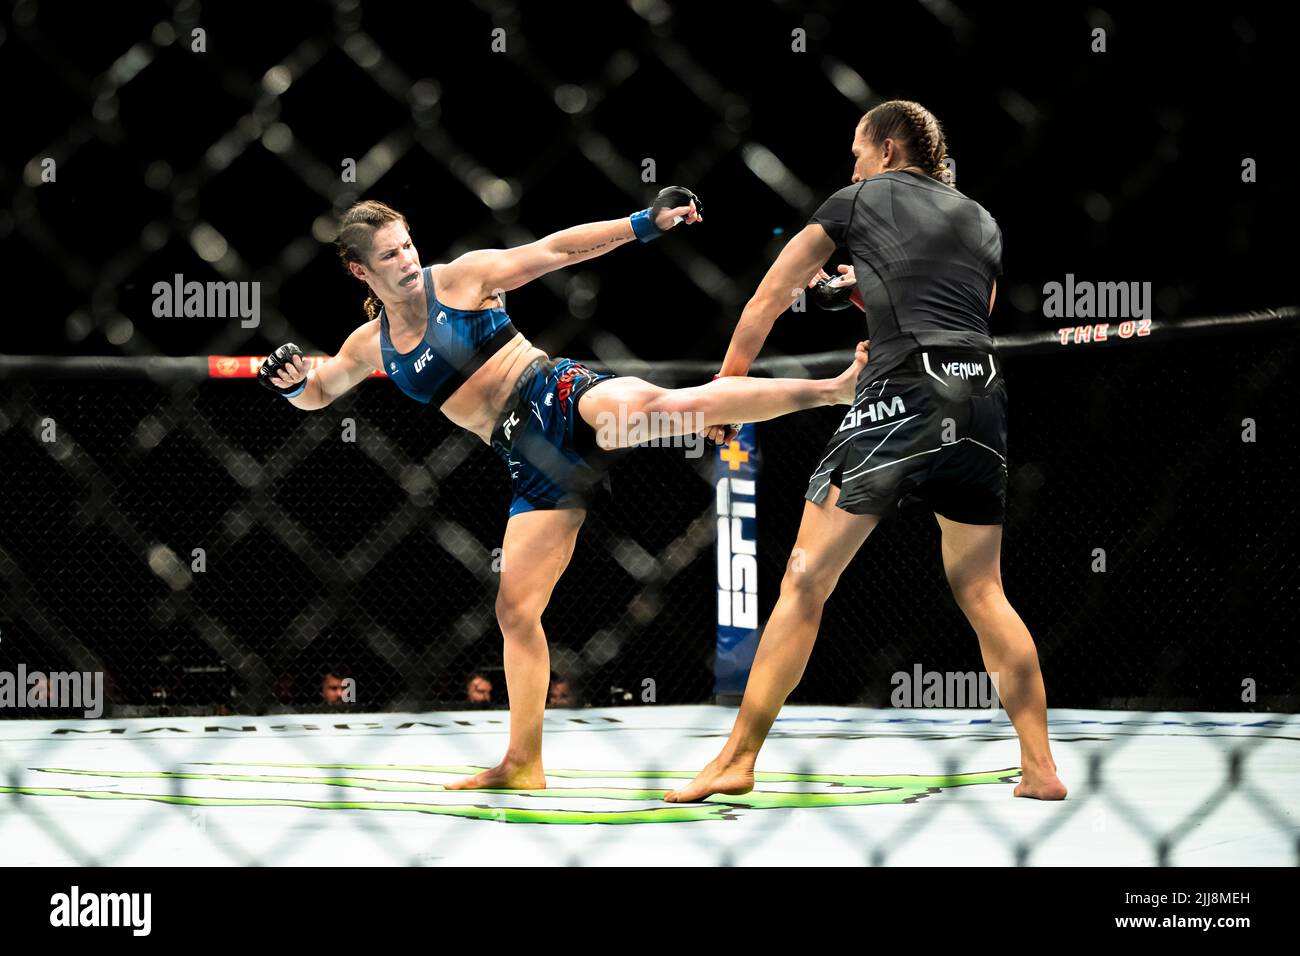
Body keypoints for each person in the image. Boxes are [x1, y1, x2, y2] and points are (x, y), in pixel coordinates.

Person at [259, 192, 866, 790]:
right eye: (390, 255)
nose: (408, 260)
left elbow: (555, 250)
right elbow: (320, 390)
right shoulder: (373, 345)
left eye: (409, 245)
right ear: (360, 269)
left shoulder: (463, 278)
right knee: (515, 608)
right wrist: (291, 383)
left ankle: (833, 390)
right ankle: (523, 762)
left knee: (664, 406)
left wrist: (642, 224)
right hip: (525, 460)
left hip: (556, 397)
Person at [668, 100, 1067, 803]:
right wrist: (865, 294)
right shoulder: (980, 217)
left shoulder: (858, 198)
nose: (850, 164)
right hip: (979, 395)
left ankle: (737, 758)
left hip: (901, 395)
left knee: (804, 581)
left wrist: (723, 397)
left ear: (886, 148)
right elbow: (969, 307)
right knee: (983, 589)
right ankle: (1040, 767)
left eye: (856, 151)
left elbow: (767, 297)